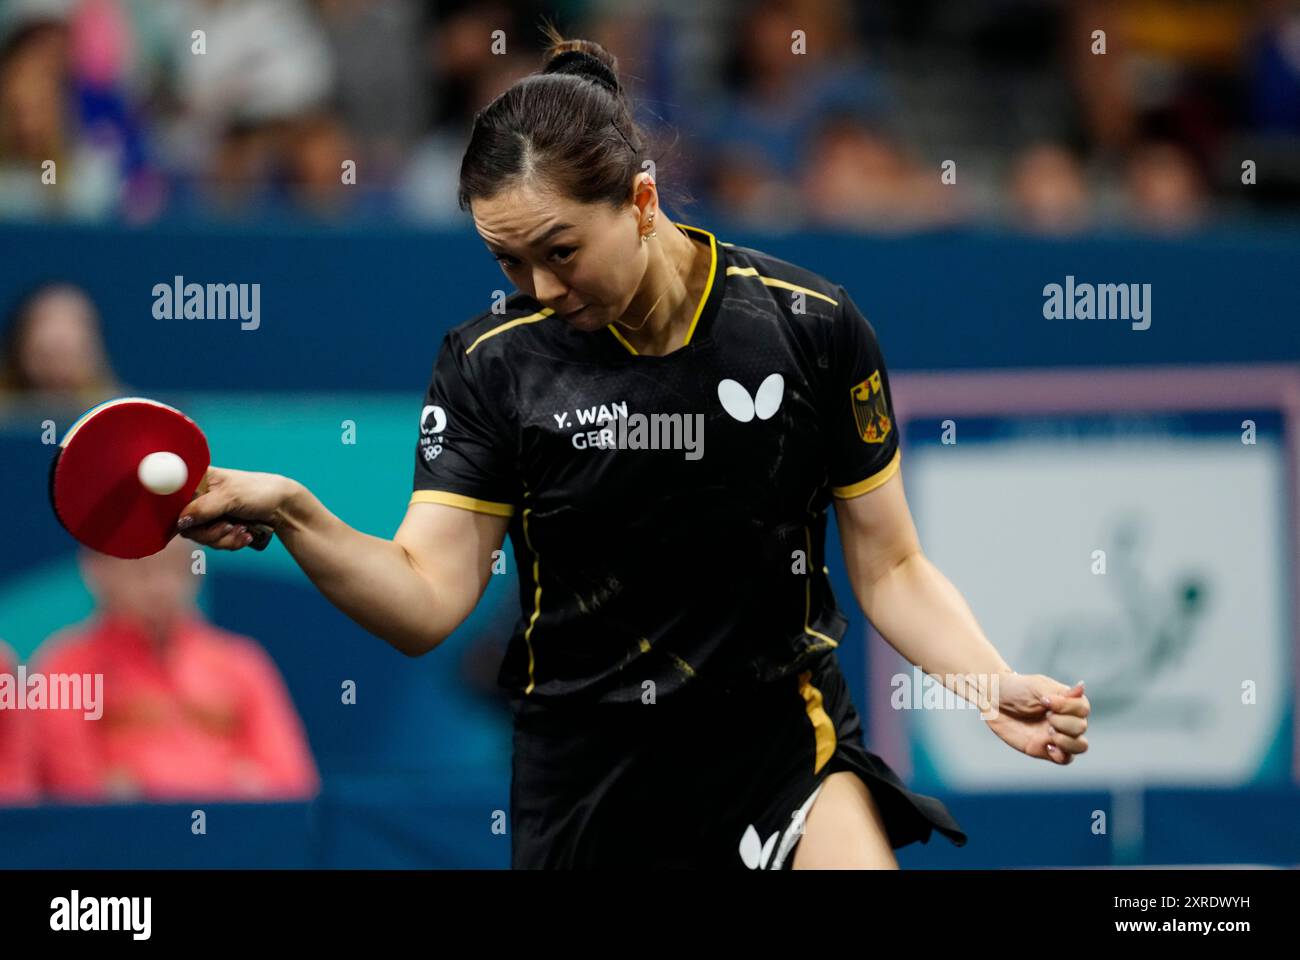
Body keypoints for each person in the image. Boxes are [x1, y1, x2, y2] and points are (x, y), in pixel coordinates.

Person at [175, 30, 1091, 869]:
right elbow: (422, 599)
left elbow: (890, 565)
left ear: (640, 200)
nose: (537, 287)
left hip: (780, 751)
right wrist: (296, 512)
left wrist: (986, 682)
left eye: (560, 250)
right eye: (507, 261)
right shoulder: (495, 366)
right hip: (588, 783)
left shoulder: (808, 327)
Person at [31, 537, 319, 802]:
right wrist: (233, 781)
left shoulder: (243, 662)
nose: (160, 585)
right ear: (96, 568)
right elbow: (73, 790)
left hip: (235, 848)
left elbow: (292, 783)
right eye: (139, 567)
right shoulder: (63, 667)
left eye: (175, 565)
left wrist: (137, 785)